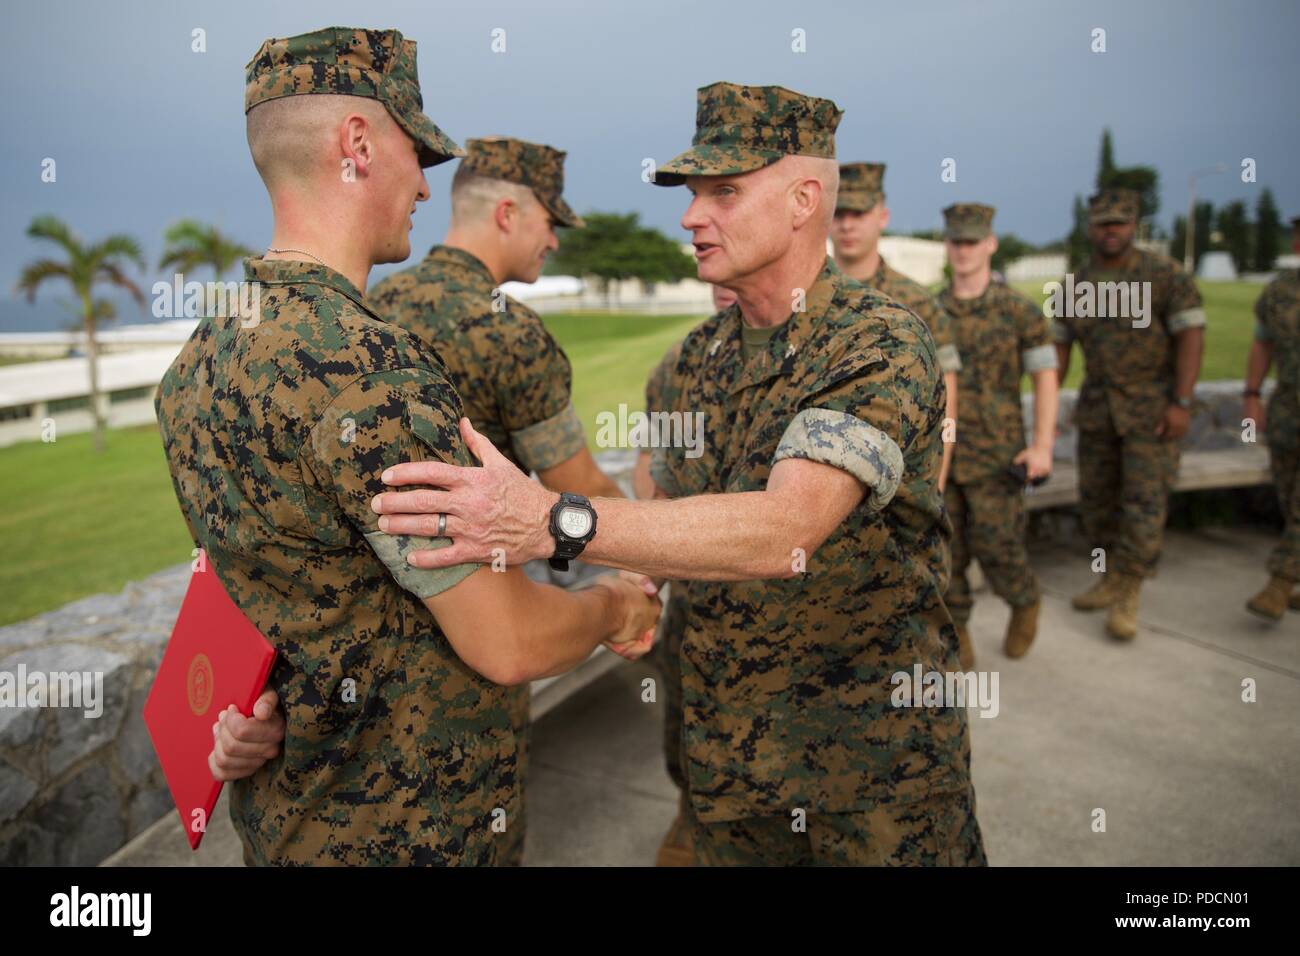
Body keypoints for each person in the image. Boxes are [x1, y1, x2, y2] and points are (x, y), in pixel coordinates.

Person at [373, 81, 986, 866]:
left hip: (871, 781)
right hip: (724, 769)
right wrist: (625, 593)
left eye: (724, 192)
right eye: (693, 194)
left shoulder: (877, 344)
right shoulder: (688, 365)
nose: (693, 215)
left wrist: (554, 521)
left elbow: (785, 529)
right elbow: (656, 512)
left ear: (804, 200)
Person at [158, 26, 659, 866]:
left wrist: (245, 718)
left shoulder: (195, 365)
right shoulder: (373, 372)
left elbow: (249, 596)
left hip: (286, 825)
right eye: (414, 153)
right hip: (419, 829)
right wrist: (615, 607)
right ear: (357, 144)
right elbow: (505, 641)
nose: (426, 190)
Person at [369, 135, 623, 864]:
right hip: (472, 669)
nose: (555, 238)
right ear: (508, 213)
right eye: (552, 221)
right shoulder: (509, 332)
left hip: (362, 670)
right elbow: (583, 495)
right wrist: (647, 575)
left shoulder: (369, 306)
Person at [1055, 186, 1206, 641]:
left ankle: (1129, 591)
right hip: (1099, 411)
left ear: (1133, 226)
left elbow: (1191, 338)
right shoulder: (1075, 285)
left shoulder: (1165, 276)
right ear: (1091, 227)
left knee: (1143, 504)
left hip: (1152, 411)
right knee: (1097, 501)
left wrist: (1181, 401)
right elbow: (1059, 349)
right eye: (1103, 223)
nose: (1111, 231)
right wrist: (1050, 403)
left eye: (1119, 223)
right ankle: (1108, 576)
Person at [937, 203, 1059, 665]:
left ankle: (1024, 601)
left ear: (990, 243)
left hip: (999, 457)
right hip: (945, 458)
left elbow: (1045, 378)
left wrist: (1043, 446)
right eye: (956, 241)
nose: (964, 250)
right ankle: (958, 632)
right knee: (947, 556)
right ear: (947, 245)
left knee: (1000, 548)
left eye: (972, 241)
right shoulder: (933, 308)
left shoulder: (1017, 311)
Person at [832, 161, 961, 490]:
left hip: (903, 480)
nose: (847, 225)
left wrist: (938, 482)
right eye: (839, 213)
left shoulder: (916, 303)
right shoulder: (807, 297)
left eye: (858, 214)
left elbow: (945, 398)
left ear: (883, 217)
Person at [1243, 216, 1300, 619]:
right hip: (1288, 412)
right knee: (1288, 495)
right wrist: (1251, 395)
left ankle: (1280, 582)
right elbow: (1262, 344)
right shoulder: (1280, 291)